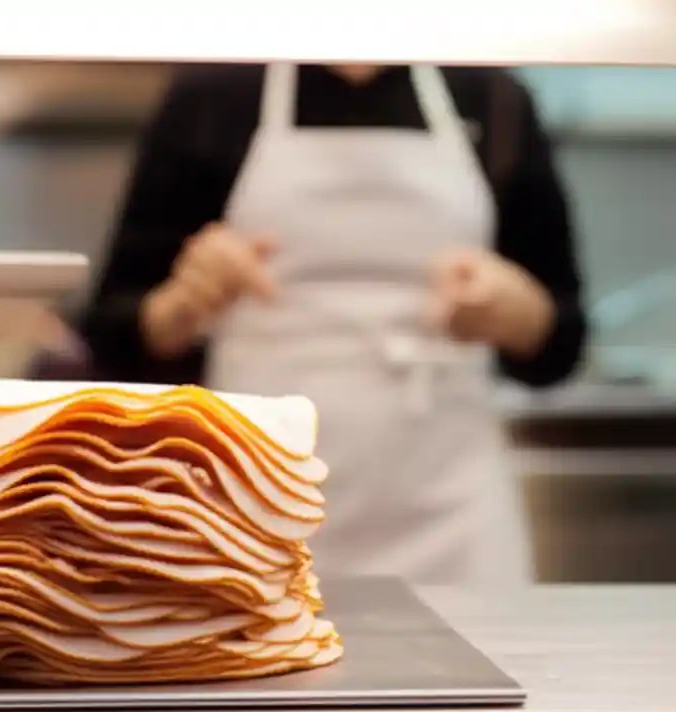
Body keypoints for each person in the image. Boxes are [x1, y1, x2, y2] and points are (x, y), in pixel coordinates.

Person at [80, 63, 586, 586]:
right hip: (254, 519)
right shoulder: (215, 94)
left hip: (455, 529)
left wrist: (520, 312)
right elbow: (111, 336)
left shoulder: (491, 93)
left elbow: (563, 343)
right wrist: (182, 305)